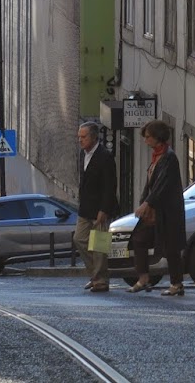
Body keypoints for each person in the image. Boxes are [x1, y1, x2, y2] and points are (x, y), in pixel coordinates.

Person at [130, 119, 186, 296]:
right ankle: (144, 278)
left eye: (148, 137)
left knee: (171, 248)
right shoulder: (157, 157)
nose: (145, 141)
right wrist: (144, 202)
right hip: (154, 211)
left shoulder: (169, 157)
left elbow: (162, 185)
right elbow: (151, 184)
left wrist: (147, 203)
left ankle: (176, 284)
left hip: (167, 212)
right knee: (139, 240)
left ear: (157, 138)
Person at [75, 121, 118, 293]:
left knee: (99, 246)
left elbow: (110, 185)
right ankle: (95, 274)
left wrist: (104, 210)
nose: (80, 140)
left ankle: (100, 281)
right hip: (85, 207)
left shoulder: (104, 156)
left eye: (83, 137)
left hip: (100, 208)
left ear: (93, 137)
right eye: (79, 137)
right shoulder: (82, 154)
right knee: (79, 239)